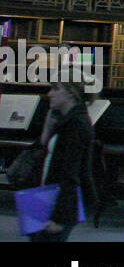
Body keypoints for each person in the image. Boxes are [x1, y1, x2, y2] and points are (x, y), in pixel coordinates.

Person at [31, 81, 97, 242]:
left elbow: (70, 172)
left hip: (60, 201)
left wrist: (60, 218)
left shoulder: (77, 124)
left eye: (55, 89)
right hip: (47, 195)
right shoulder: (64, 121)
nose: (49, 94)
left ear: (71, 93)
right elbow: (43, 155)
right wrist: (47, 130)